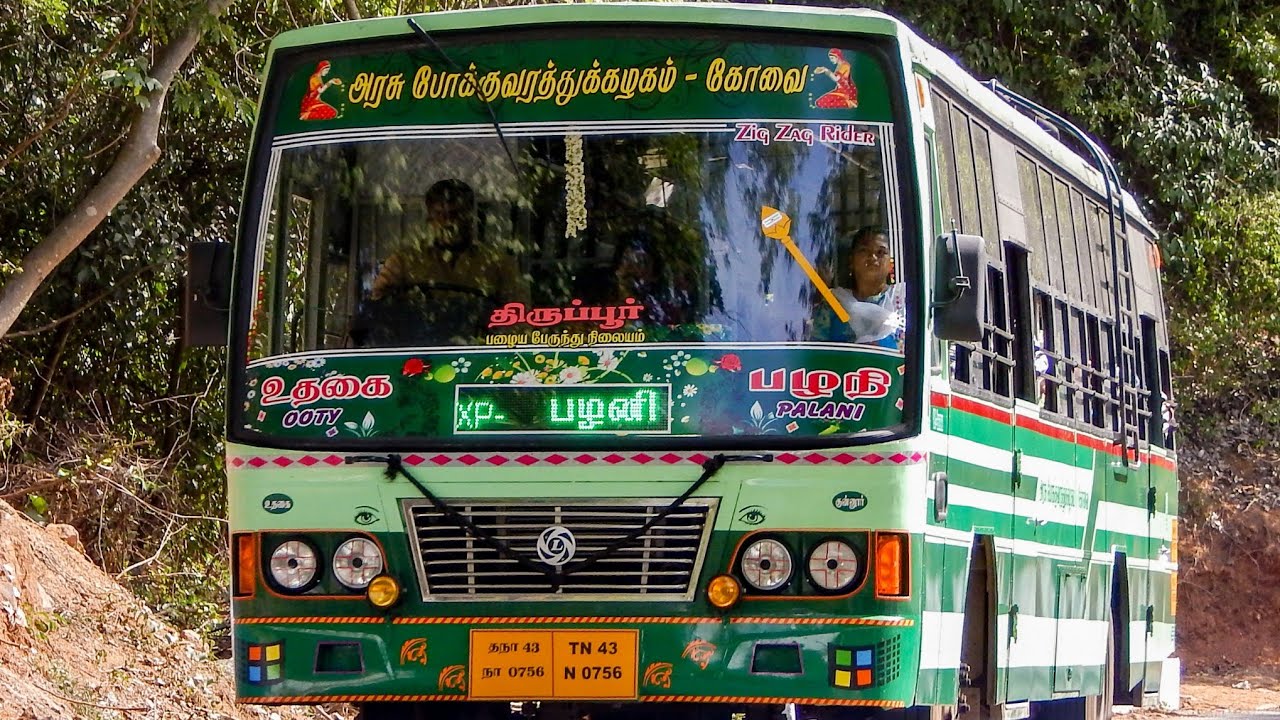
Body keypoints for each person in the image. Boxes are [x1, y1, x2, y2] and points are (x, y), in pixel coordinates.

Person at [815, 227, 905, 349]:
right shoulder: (833, 304)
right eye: (864, 251)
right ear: (851, 261)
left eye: (881, 252)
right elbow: (816, 352)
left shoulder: (903, 301)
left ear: (891, 264)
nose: (873, 257)